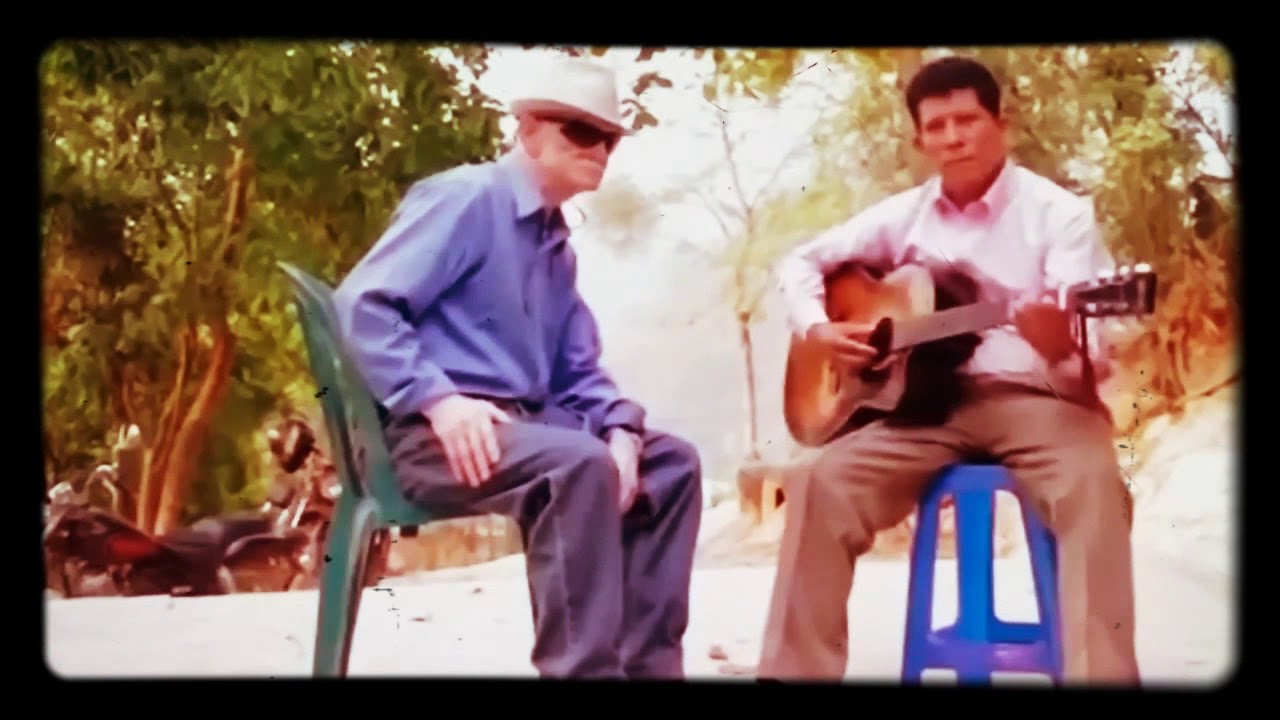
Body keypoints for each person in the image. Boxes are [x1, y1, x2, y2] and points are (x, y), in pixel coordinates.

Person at [756, 55, 1141, 684]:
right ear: (918, 141)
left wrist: (1058, 345)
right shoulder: (904, 216)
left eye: (967, 120)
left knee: (1094, 488)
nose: (953, 137)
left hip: (1036, 399)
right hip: (922, 409)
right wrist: (820, 328)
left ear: (1002, 123)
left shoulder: (1059, 215)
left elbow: (1082, 375)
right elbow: (801, 263)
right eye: (937, 127)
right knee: (821, 483)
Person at [331, 56, 703, 679]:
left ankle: (649, 669)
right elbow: (362, 305)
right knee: (576, 465)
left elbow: (578, 371)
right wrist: (438, 399)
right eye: (580, 132)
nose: (600, 149)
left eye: (608, 137)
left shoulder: (552, 241)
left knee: (671, 466)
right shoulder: (466, 198)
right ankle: (582, 672)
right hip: (430, 437)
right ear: (528, 130)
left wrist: (621, 431)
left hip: (524, 430)